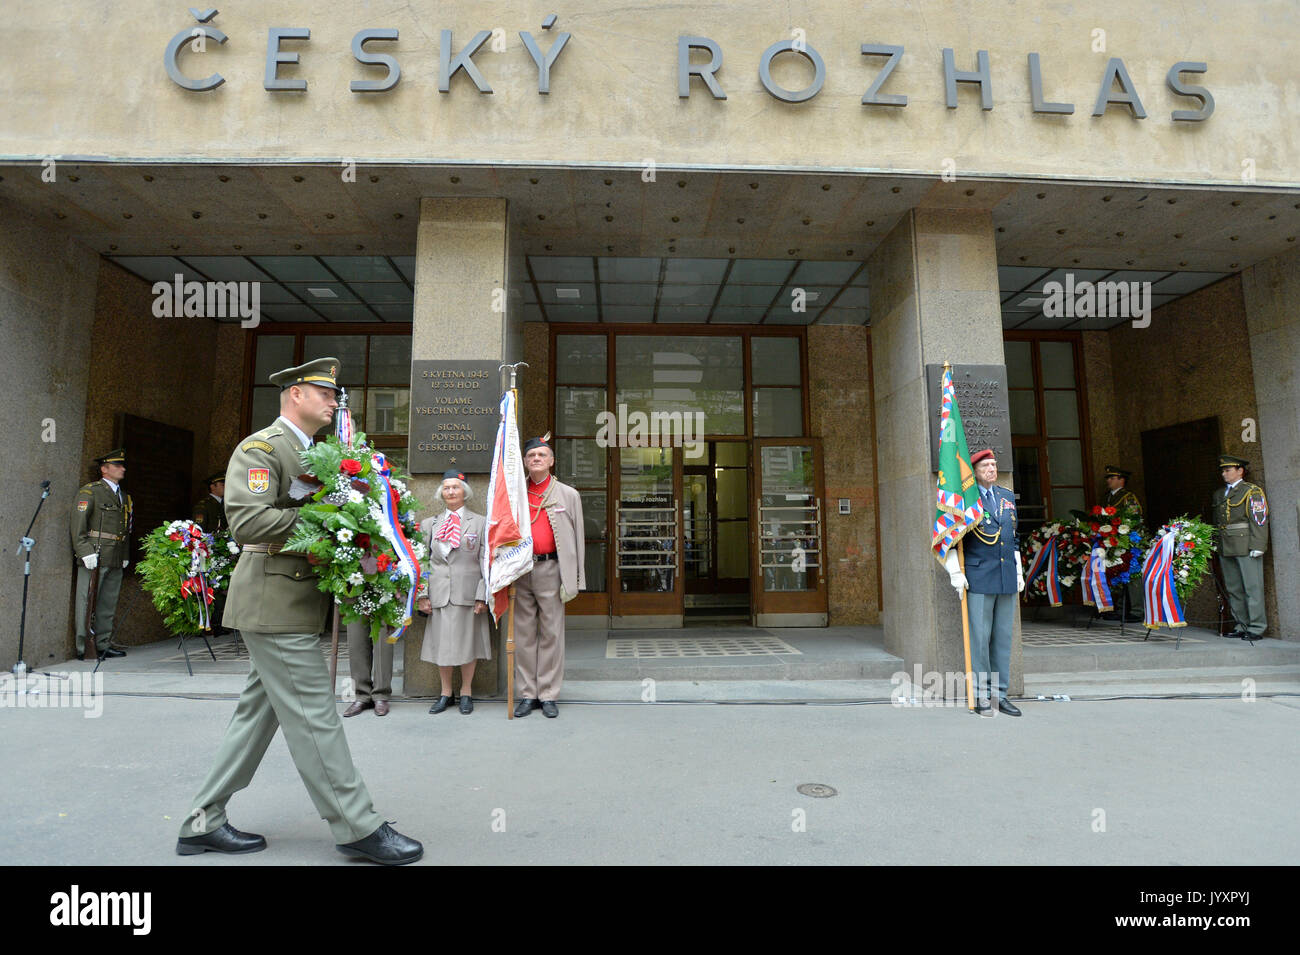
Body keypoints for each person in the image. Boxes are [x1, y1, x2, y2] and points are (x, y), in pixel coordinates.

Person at [176, 357, 422, 865]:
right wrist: (336, 522)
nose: (335, 402)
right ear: (295, 395)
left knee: (254, 719)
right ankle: (357, 826)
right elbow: (248, 520)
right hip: (273, 603)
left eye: (335, 395)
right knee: (316, 717)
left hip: (290, 603)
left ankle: (202, 822)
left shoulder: (316, 452)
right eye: (325, 393)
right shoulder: (262, 448)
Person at [943, 448, 1023, 717]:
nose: (992, 468)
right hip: (978, 577)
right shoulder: (967, 499)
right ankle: (980, 695)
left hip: (1006, 576)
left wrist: (1019, 572)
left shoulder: (1006, 496)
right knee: (979, 640)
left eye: (994, 464)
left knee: (1002, 639)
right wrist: (955, 572)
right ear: (974, 471)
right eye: (986, 465)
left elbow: (1014, 539)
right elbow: (951, 540)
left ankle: (1000, 695)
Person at [513, 435, 585, 719]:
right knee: (524, 636)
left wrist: (576, 580)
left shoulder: (568, 494)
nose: (536, 460)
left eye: (542, 455)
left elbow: (578, 538)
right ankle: (528, 694)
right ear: (525, 462)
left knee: (552, 634)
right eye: (531, 456)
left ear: (552, 461)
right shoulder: (516, 494)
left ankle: (549, 694)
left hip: (552, 570)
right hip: (521, 570)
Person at [417, 469, 491, 716]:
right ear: (441, 492)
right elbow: (423, 561)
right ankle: (446, 693)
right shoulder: (430, 524)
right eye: (446, 488)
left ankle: (467, 692)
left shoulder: (480, 523)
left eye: (455, 487)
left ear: (465, 492)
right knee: (443, 646)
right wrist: (422, 595)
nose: (451, 492)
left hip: (468, 595)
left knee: (468, 644)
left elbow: (485, 561)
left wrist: (483, 595)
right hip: (439, 594)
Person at [70, 448, 133, 661]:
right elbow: (78, 525)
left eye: (122, 465)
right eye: (117, 465)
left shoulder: (124, 497)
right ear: (104, 469)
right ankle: (83, 645)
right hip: (95, 554)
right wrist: (84, 551)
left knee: (108, 602)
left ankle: (103, 643)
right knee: (87, 602)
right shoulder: (91, 492)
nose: (122, 468)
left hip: (115, 554)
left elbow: (125, 529)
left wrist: (124, 553)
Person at [1213, 454, 1269, 640]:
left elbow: (1258, 519)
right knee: (1234, 588)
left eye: (1228, 470)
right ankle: (1241, 624)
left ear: (1240, 471)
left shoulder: (1251, 491)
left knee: (1252, 588)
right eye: (1223, 470)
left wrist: (1258, 544)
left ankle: (1256, 626)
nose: (1224, 474)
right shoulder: (1220, 493)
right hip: (1226, 545)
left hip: (1246, 545)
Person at [1100, 465, 1144, 622]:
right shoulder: (1107, 497)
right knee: (1116, 573)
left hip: (1127, 541)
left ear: (1121, 480)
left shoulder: (1127, 497)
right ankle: (1120, 608)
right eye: (1108, 478)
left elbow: (1135, 517)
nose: (1109, 481)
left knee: (1131, 575)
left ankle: (1136, 610)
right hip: (1111, 541)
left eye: (1112, 478)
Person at [342, 614, 398, 718]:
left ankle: (381, 694)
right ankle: (361, 694)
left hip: (384, 599)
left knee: (383, 642)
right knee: (356, 641)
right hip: (352, 599)